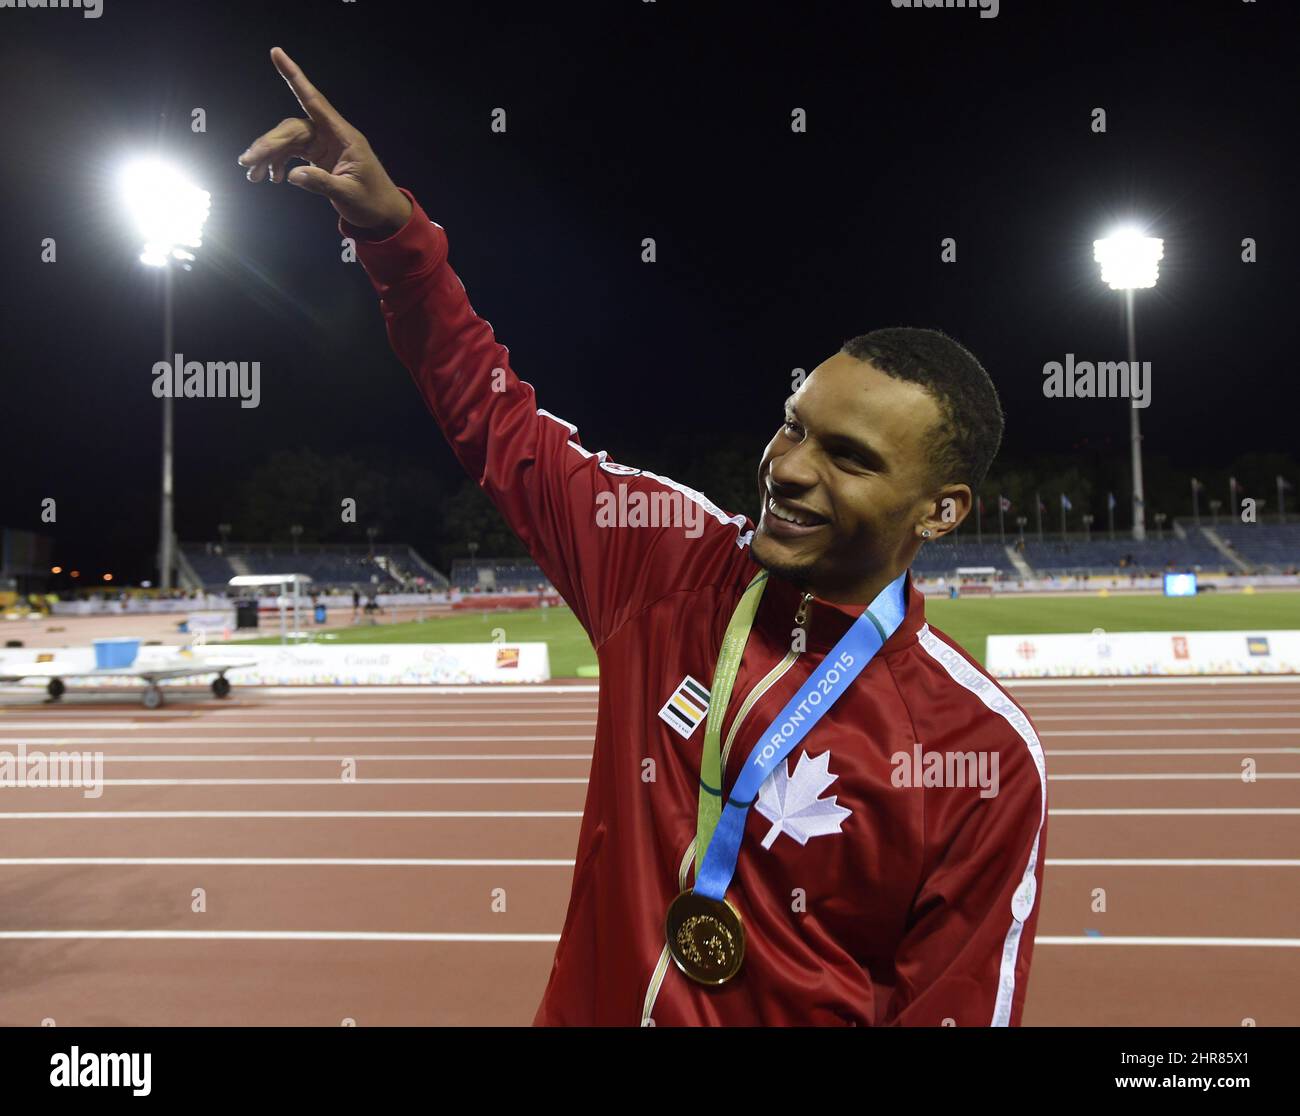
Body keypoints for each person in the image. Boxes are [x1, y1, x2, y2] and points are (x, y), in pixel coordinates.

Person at [239, 48, 1048, 1027]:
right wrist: (394, 237)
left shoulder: (981, 750)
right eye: (792, 424)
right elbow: (497, 421)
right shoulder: (663, 559)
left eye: (850, 457)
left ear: (941, 510)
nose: (789, 467)